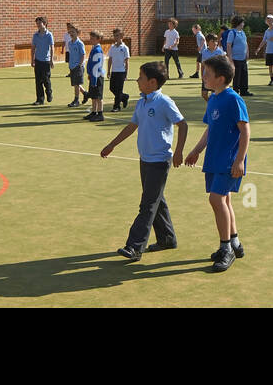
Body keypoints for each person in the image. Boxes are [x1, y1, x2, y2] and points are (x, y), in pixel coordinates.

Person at [102, 61, 187, 260]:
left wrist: (179, 152)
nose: (137, 80)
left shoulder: (164, 102)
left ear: (152, 82)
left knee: (148, 204)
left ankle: (134, 246)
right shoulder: (142, 102)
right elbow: (132, 126)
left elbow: (183, 125)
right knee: (156, 200)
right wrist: (112, 144)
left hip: (159, 161)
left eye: (141, 77)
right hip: (145, 160)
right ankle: (167, 238)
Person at [184, 55, 250, 273]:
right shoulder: (213, 99)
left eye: (207, 74)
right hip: (213, 158)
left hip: (229, 160)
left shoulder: (233, 99)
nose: (203, 76)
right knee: (225, 200)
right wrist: (195, 150)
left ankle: (225, 249)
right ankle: (235, 243)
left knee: (216, 199)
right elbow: (210, 130)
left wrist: (240, 159)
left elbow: (245, 131)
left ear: (220, 79)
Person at [222, 16, 252, 96]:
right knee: (237, 75)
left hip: (243, 58)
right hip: (235, 58)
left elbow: (245, 43)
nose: (243, 24)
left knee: (244, 74)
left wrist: (247, 53)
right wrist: (230, 57)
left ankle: (244, 91)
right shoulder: (232, 32)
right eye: (242, 22)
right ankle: (236, 91)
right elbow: (228, 45)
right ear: (239, 23)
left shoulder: (242, 32)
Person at [30, 17, 55, 105]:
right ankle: (40, 99)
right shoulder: (35, 35)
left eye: (39, 23)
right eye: (37, 23)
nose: (38, 25)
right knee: (38, 81)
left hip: (46, 61)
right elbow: (33, 48)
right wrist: (32, 59)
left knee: (46, 79)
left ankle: (49, 92)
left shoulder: (49, 35)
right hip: (38, 60)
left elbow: (52, 48)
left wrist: (51, 60)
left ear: (44, 23)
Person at [84, 31, 107, 121]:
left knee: (98, 96)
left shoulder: (97, 50)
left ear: (98, 39)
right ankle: (94, 112)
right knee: (93, 96)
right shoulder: (94, 48)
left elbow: (97, 66)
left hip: (97, 76)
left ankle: (100, 114)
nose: (91, 40)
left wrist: (94, 78)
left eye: (92, 39)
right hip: (93, 75)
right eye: (90, 38)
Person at [108, 29, 131, 111]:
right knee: (112, 88)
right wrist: (108, 71)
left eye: (117, 35)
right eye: (114, 36)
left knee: (118, 90)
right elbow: (110, 59)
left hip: (121, 71)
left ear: (121, 36)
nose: (115, 37)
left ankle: (116, 106)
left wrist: (126, 73)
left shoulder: (125, 48)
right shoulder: (112, 47)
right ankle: (124, 97)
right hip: (114, 71)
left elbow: (127, 61)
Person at [199, 32, 226, 101]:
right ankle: (211, 105)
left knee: (214, 94)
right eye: (213, 41)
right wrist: (202, 75)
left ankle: (214, 107)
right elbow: (203, 65)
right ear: (207, 42)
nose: (215, 43)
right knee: (204, 94)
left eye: (216, 41)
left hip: (215, 76)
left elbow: (223, 65)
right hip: (206, 76)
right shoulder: (204, 52)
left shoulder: (220, 52)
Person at [65, 24, 87, 106]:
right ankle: (85, 93)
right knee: (75, 83)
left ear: (77, 33)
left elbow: (83, 55)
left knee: (76, 84)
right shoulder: (70, 43)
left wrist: (80, 65)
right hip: (72, 66)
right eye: (70, 32)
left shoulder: (80, 43)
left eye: (73, 32)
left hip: (78, 66)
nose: (71, 33)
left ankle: (76, 100)